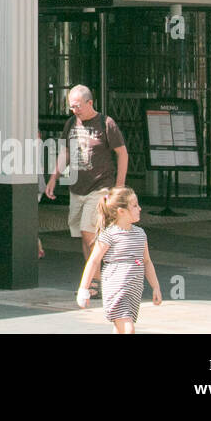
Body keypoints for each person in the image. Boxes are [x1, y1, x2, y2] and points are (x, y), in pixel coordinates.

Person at [45, 85, 127, 286]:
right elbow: (65, 152)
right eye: (71, 107)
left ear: (90, 103)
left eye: (78, 106)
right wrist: (54, 177)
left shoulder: (106, 124)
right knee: (84, 235)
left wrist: (118, 187)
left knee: (88, 231)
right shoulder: (71, 123)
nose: (75, 110)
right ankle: (97, 276)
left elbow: (122, 154)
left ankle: (95, 280)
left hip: (100, 186)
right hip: (76, 187)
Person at [76, 186, 161, 334]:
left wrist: (156, 287)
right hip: (116, 289)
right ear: (121, 211)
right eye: (134, 206)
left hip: (133, 291)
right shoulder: (109, 235)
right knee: (129, 328)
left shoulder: (140, 234)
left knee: (120, 327)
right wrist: (83, 289)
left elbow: (147, 261)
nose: (139, 208)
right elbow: (93, 261)